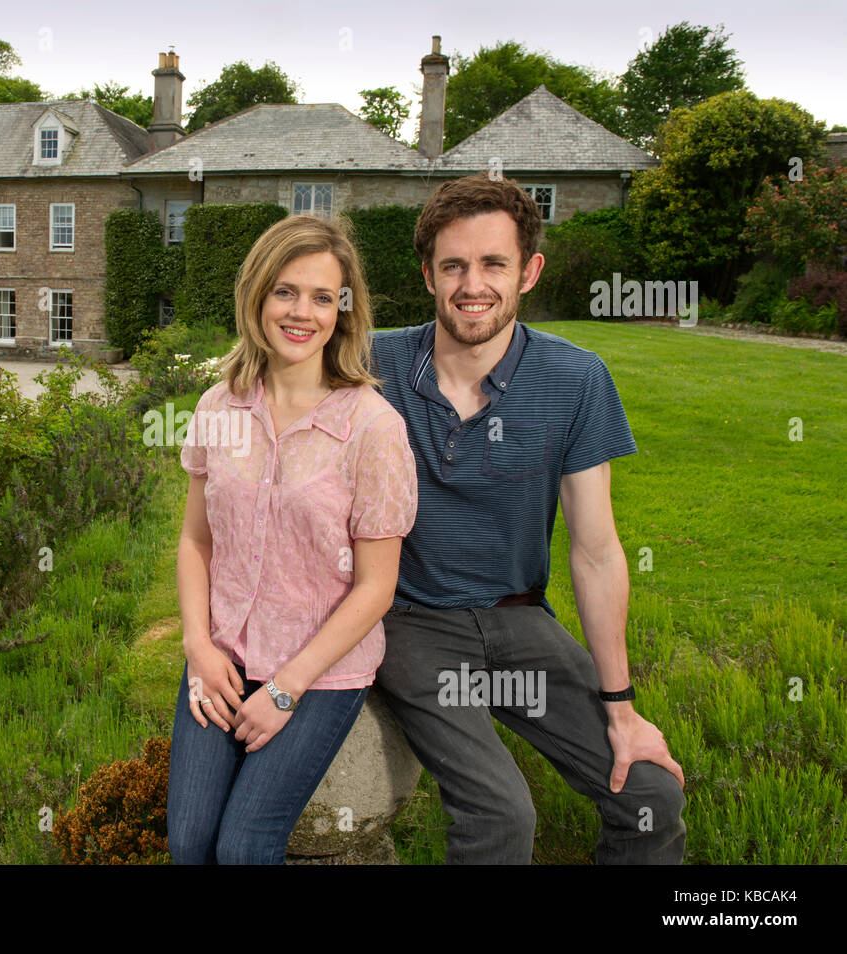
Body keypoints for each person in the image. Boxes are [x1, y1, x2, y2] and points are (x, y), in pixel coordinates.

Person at [369, 172, 686, 864]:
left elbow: (596, 552)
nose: (471, 284)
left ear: (529, 272)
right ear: (427, 274)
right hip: (412, 623)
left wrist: (622, 710)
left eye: (492, 264)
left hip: (519, 622)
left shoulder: (576, 379)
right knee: (502, 816)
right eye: (452, 265)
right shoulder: (372, 363)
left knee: (652, 795)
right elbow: (264, 379)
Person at [167, 214, 417, 865]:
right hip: (222, 655)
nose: (301, 311)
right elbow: (196, 542)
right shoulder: (218, 407)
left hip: (321, 669)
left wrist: (284, 690)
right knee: (190, 844)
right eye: (285, 291)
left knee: (245, 848)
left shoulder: (373, 428)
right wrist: (198, 647)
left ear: (344, 309)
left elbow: (376, 587)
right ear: (257, 295)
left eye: (321, 296)